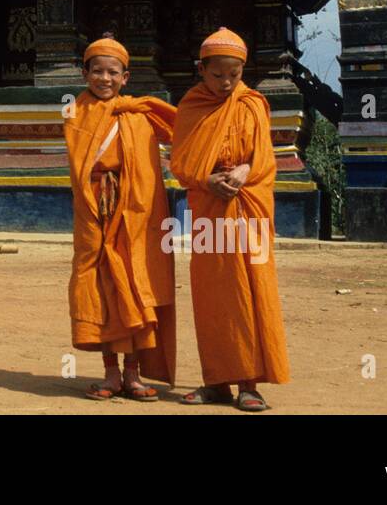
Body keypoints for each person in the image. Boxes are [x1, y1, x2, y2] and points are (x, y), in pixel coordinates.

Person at [171, 26, 290, 411]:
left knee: (251, 291)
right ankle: (217, 382)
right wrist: (207, 180)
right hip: (210, 210)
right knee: (213, 296)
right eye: (217, 74)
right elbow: (181, 163)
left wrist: (244, 171)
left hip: (248, 204)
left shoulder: (253, 103)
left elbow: (265, 158)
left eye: (234, 74)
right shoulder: (191, 106)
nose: (225, 82)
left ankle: (249, 384)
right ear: (201, 70)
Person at [64, 33, 178, 401]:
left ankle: (133, 372)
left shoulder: (138, 114)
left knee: (133, 282)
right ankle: (110, 373)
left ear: (125, 77)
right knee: (101, 287)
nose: (105, 79)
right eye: (97, 71)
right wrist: (96, 202)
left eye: (113, 72)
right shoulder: (74, 113)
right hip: (94, 211)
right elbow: (79, 166)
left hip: (134, 216)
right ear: (85, 74)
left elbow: (183, 139)